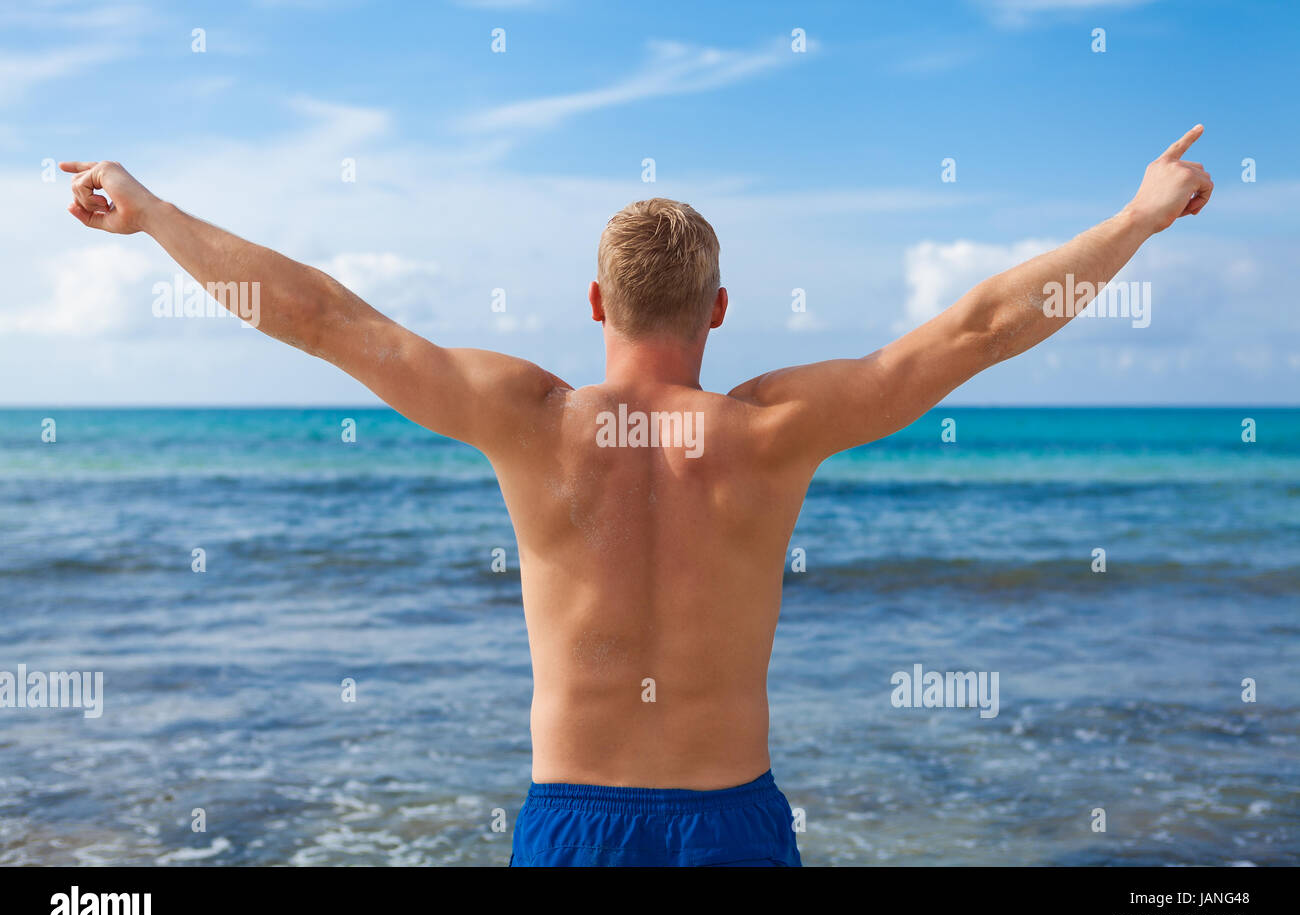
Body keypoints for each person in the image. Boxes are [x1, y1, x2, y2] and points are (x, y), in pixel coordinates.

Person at [59, 125, 1213, 866]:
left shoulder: (526, 418)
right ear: (716, 308)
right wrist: (1138, 214)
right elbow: (976, 329)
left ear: (596, 303)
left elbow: (321, 318)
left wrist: (153, 211)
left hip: (573, 823)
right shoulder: (775, 430)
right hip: (735, 822)